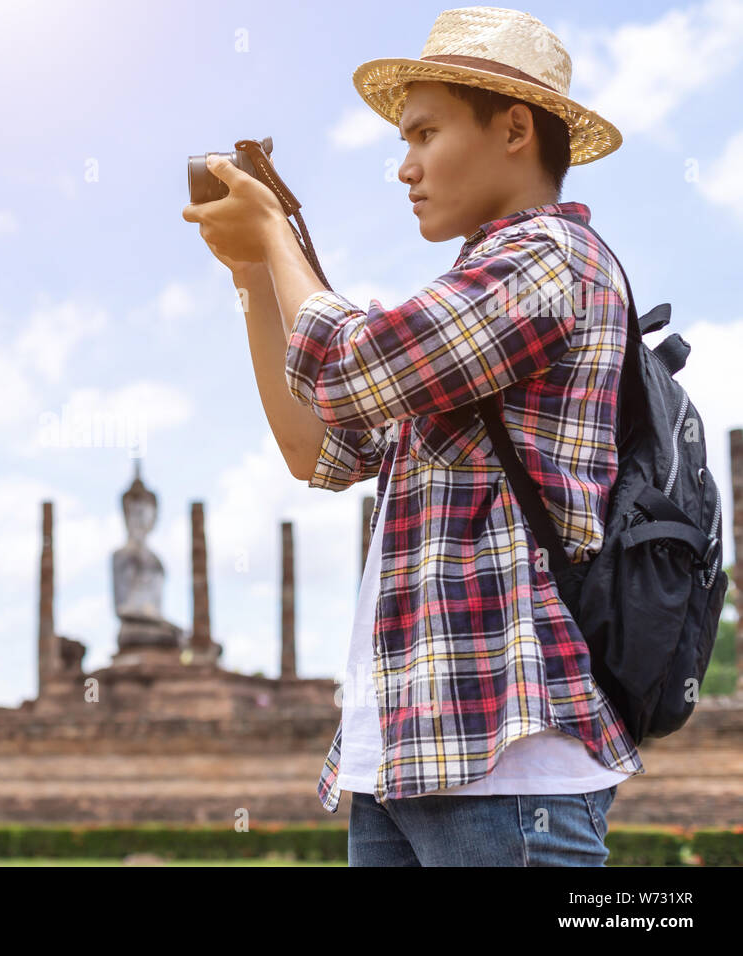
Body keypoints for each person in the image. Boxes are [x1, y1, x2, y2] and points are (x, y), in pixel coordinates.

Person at [183, 6, 643, 866]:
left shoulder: (552, 259)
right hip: (406, 753)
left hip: (508, 765)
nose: (405, 167)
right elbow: (315, 445)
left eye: (425, 133)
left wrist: (278, 237)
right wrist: (252, 272)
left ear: (514, 128)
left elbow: (351, 364)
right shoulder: (471, 298)